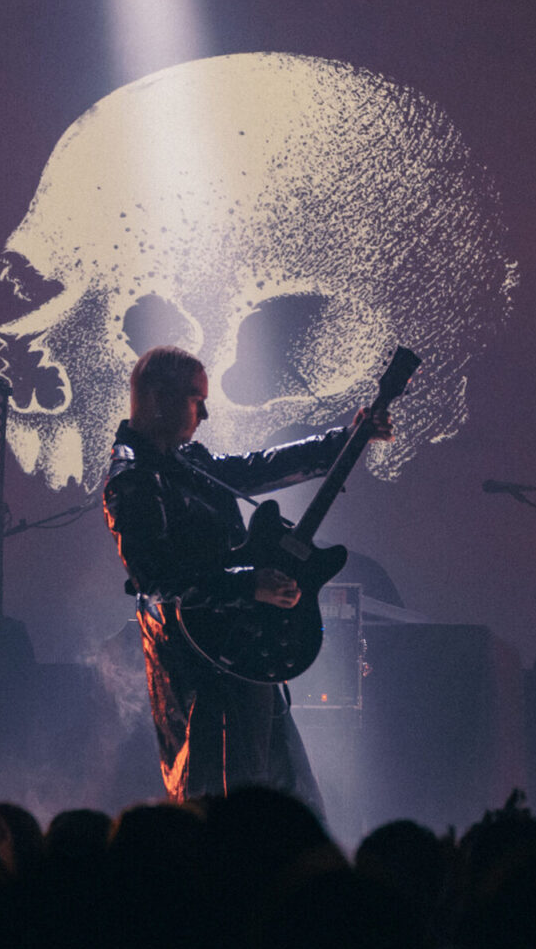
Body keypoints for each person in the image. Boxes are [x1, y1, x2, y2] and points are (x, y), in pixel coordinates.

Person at [103, 345, 389, 813]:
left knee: (285, 797)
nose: (206, 412)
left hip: (243, 653)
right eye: (197, 399)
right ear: (158, 398)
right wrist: (247, 584)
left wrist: (346, 440)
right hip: (199, 670)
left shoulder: (186, 461)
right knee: (226, 804)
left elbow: (260, 466)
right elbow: (156, 579)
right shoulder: (132, 481)